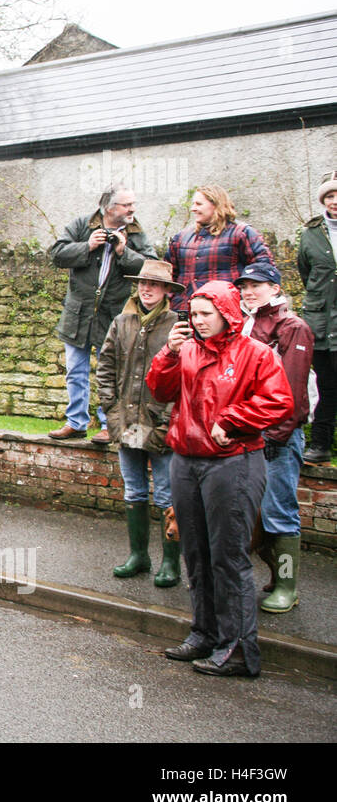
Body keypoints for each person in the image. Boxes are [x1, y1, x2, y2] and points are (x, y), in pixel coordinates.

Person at [148, 280, 292, 677]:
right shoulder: (188, 350)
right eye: (193, 314)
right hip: (186, 459)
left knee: (228, 557)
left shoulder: (256, 354)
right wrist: (168, 353)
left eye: (205, 314)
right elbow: (159, 391)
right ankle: (205, 633)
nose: (197, 321)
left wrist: (233, 420)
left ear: (227, 313)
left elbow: (280, 400)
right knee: (195, 554)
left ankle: (239, 648)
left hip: (234, 463)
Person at [95, 259, 182, 585]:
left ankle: (170, 564)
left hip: (161, 423)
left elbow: (185, 377)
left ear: (166, 291)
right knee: (133, 491)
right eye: (143, 284)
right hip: (127, 421)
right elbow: (105, 367)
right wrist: (111, 409)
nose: (147, 290)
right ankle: (139, 556)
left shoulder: (177, 324)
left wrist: (169, 419)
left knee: (167, 495)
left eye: (155, 285)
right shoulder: (122, 321)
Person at [47, 185, 157, 441]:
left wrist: (123, 252)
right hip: (78, 315)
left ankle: (110, 424)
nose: (132, 209)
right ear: (108, 207)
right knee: (75, 371)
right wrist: (87, 246)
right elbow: (56, 254)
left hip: (114, 316)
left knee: (112, 373)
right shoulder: (82, 225)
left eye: (133, 203)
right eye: (126, 205)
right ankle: (76, 423)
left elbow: (152, 267)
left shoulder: (135, 232)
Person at [235, 261, 312, 614]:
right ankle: (274, 577)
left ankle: (287, 585)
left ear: (276, 289)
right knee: (256, 512)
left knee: (279, 511)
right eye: (244, 286)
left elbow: (293, 388)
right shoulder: (248, 323)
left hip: (277, 435)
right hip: (250, 431)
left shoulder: (291, 326)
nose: (249, 292)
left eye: (257, 285)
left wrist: (277, 434)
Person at [164, 184, 271, 309]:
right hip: (187, 311)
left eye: (199, 204)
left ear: (215, 204)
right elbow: (169, 276)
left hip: (227, 312)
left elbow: (264, 271)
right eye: (193, 204)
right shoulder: (181, 238)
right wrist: (174, 300)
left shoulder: (241, 233)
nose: (193, 209)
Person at [296, 169, 337, 464]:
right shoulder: (310, 234)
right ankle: (321, 445)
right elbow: (305, 274)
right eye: (330, 196)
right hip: (321, 322)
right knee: (327, 383)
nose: (335, 201)